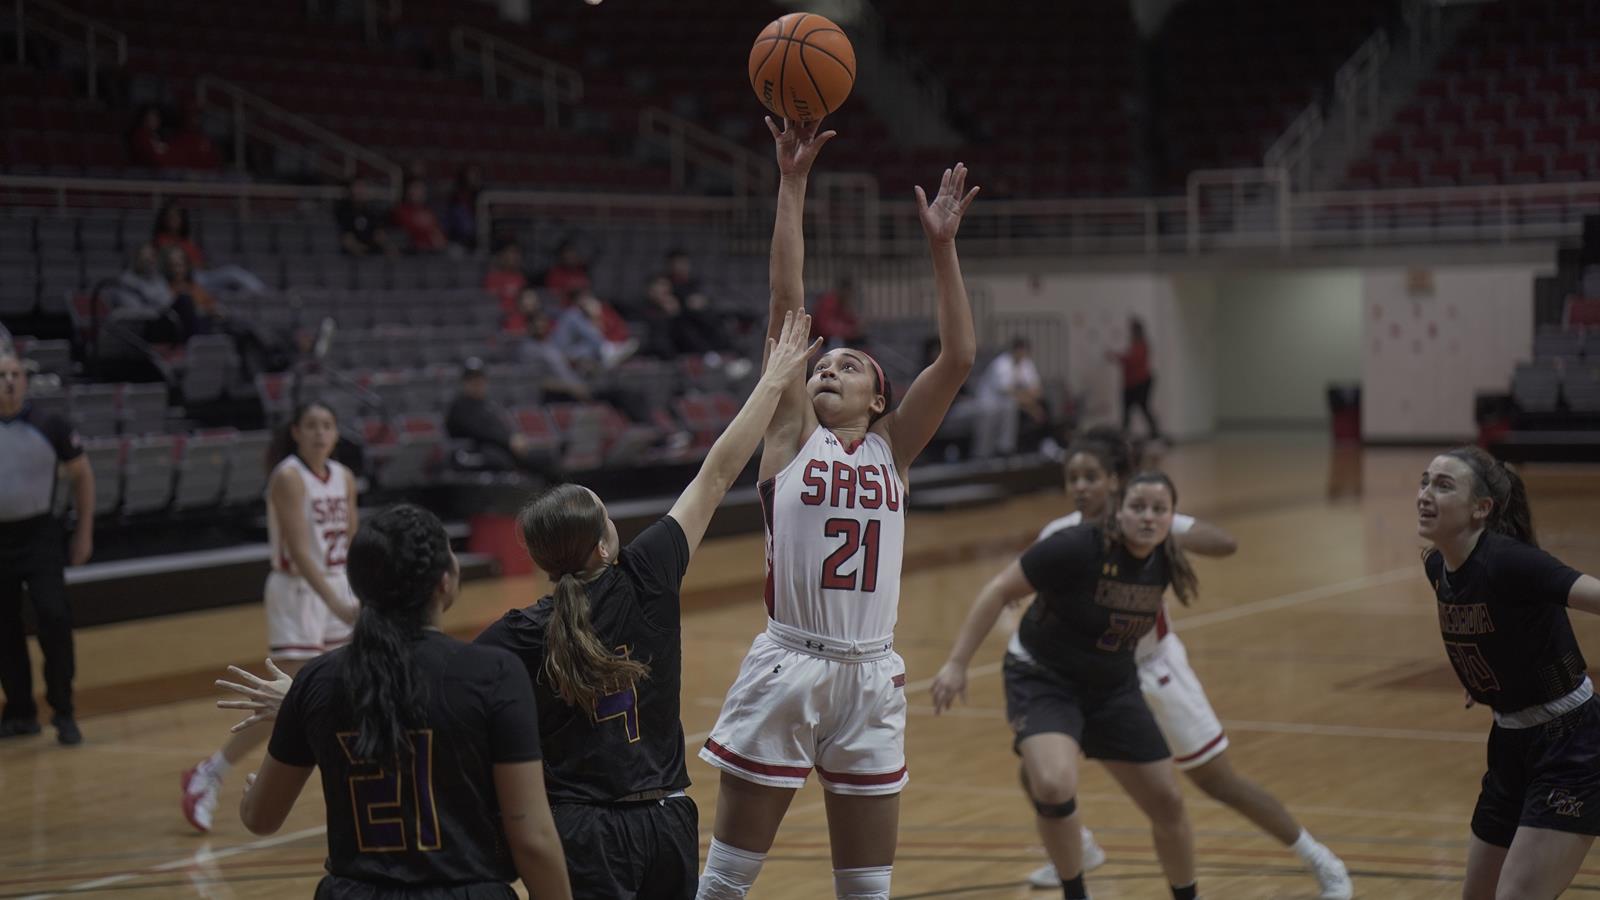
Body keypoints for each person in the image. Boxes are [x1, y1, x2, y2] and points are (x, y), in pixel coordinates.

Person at [693, 119, 979, 900]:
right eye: (823, 363)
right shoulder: (788, 436)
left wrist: (942, 247)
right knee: (724, 882)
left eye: (849, 366)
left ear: (879, 397)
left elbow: (957, 360)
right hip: (789, 663)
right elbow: (788, 304)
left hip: (872, 676)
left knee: (867, 890)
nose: (829, 368)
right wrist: (792, 182)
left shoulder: (895, 451)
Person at [474, 311, 820, 898]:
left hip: (577, 832)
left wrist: (306, 697)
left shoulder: (519, 631)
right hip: (663, 822)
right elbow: (716, 474)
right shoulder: (644, 574)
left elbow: (426, 685)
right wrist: (773, 380)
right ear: (605, 543)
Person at [1020, 428, 1352, 898]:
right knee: (1035, 767)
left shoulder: (1148, 519)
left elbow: (1225, 543)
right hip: (1085, 676)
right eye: (1072, 478)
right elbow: (1023, 589)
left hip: (1153, 670)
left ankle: (1318, 858)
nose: (1080, 487)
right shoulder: (1060, 535)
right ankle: (1078, 848)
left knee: (1218, 781)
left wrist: (1172, 527)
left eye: (1090, 477)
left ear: (1115, 481)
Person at [228, 504, 574, 900]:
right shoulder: (494, 674)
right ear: (445, 581)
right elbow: (531, 837)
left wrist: (252, 794)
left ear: (358, 585)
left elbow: (260, 818)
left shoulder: (316, 682)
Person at [931, 471, 1200, 900]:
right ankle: (1076, 892)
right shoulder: (1078, 545)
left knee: (1167, 800)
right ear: (1119, 509)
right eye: (1138, 507)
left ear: (1172, 516)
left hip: (1113, 687)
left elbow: (1224, 544)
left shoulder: (1164, 559)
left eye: (1159, 509)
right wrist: (957, 664)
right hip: (1044, 678)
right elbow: (999, 589)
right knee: (1055, 786)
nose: (1148, 517)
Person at [1418, 446, 1600, 899]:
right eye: (1424, 481)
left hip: (1571, 745)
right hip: (1510, 743)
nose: (1425, 494)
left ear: (1482, 509)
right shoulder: (1439, 566)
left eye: (1443, 485)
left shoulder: (1512, 562)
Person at [181, 400, 359, 832]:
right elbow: (299, 550)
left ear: (336, 434)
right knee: (290, 697)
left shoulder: (345, 477)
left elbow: (354, 541)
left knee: (345, 692)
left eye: (328, 425)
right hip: (298, 590)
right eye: (311, 425)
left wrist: (357, 591)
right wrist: (337, 604)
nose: (320, 433)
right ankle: (212, 771)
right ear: (295, 432)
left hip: (338, 584)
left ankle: (350, 785)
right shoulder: (288, 477)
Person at [0, 350, 93, 746]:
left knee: (54, 617)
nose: (8, 381)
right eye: (1, 375)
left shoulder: (49, 424)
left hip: (40, 536)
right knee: (4, 628)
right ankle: (20, 711)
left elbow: (82, 474)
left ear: (25, 380)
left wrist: (83, 531)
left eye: (15, 374)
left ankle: (63, 709)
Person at [444, 359, 559, 479]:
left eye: (479, 378)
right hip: (474, 451)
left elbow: (501, 427)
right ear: (464, 382)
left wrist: (514, 437)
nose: (477, 382)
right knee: (499, 460)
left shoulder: (488, 405)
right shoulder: (460, 406)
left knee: (547, 458)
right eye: (471, 379)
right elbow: (480, 431)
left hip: (501, 448)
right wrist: (509, 441)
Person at [151, 200, 268, 296]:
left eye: (177, 217)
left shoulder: (186, 241)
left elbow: (200, 263)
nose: (174, 220)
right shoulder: (161, 240)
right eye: (171, 217)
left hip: (202, 276)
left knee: (233, 271)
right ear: (164, 219)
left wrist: (202, 265)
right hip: (186, 278)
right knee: (220, 291)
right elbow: (169, 264)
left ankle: (263, 292)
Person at [974, 337, 1048, 458]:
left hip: (1010, 402)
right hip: (989, 402)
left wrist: (1031, 403)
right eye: (1021, 351)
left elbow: (1037, 390)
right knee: (1009, 406)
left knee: (1015, 405)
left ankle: (1007, 450)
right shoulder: (1001, 364)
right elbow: (1008, 392)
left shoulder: (1025, 363)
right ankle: (987, 454)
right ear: (1014, 351)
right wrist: (1032, 408)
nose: (1023, 354)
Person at [1109, 317, 1163, 442]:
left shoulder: (1141, 345)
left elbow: (1133, 360)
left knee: (1142, 408)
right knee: (1129, 411)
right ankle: (1125, 436)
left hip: (1139, 383)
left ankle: (1154, 433)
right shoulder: (1136, 344)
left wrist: (1117, 357)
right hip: (1132, 384)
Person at [336, 177, 395, 257]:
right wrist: (358, 248)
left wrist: (389, 247)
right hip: (350, 254)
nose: (361, 190)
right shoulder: (344, 210)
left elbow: (378, 232)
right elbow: (346, 236)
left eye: (363, 187)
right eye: (357, 187)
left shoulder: (371, 210)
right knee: (349, 241)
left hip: (371, 250)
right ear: (350, 189)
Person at [391, 178, 449, 254]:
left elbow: (437, 233)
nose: (416, 192)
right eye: (414, 188)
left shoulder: (429, 211)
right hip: (412, 252)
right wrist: (426, 229)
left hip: (433, 251)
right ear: (407, 191)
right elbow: (408, 231)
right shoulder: (400, 210)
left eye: (420, 189)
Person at [812, 276, 865, 347]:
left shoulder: (843, 304)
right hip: (822, 341)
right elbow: (825, 328)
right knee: (837, 342)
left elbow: (849, 321)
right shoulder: (829, 302)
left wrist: (857, 327)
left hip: (838, 338)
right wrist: (850, 331)